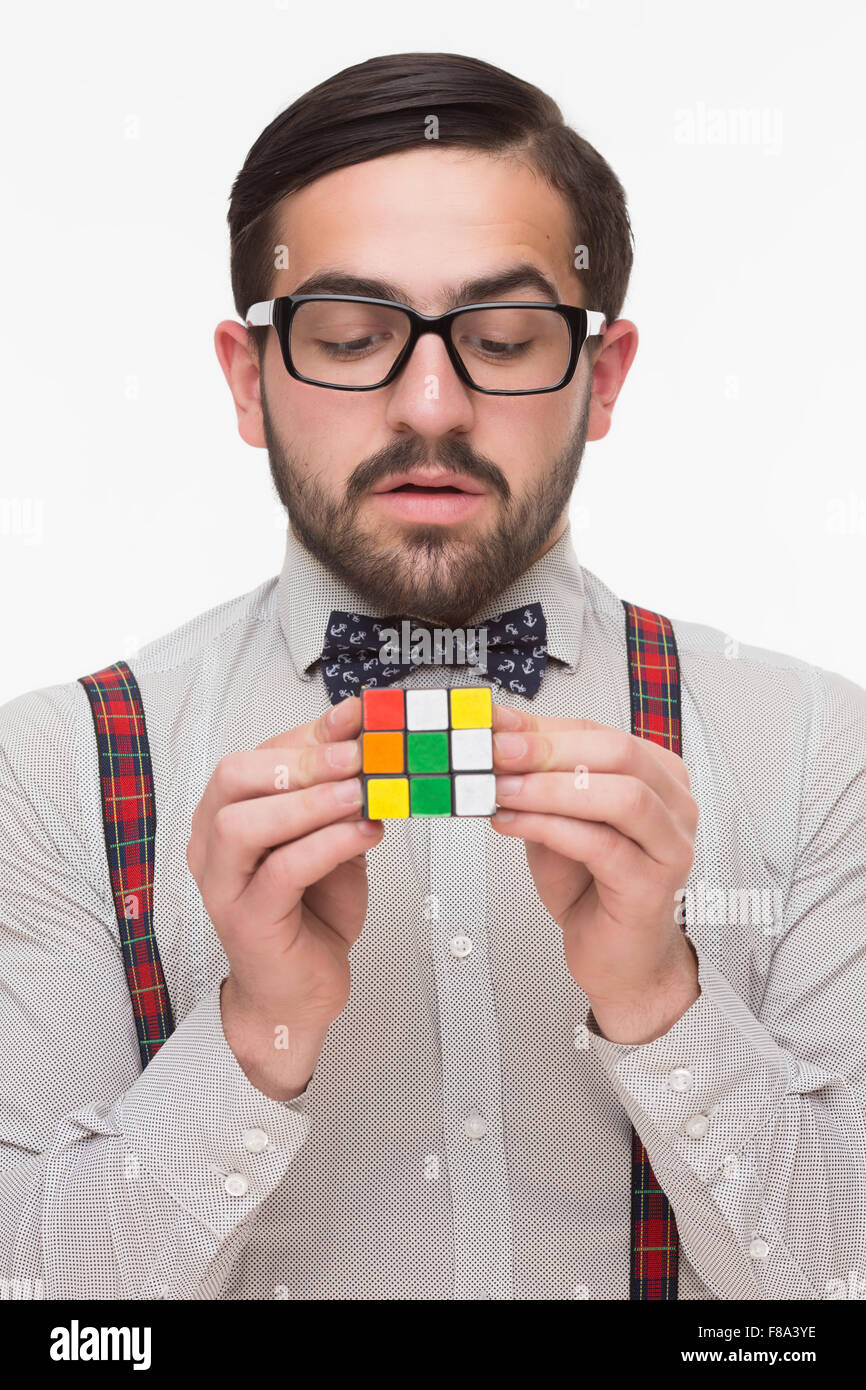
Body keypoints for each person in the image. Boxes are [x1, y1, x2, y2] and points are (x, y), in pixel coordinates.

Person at [1, 51, 864, 1302]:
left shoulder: (812, 749)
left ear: (601, 374)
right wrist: (256, 1036)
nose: (429, 403)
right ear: (249, 381)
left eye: (504, 339)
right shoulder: (54, 773)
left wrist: (665, 1000)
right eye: (348, 337)